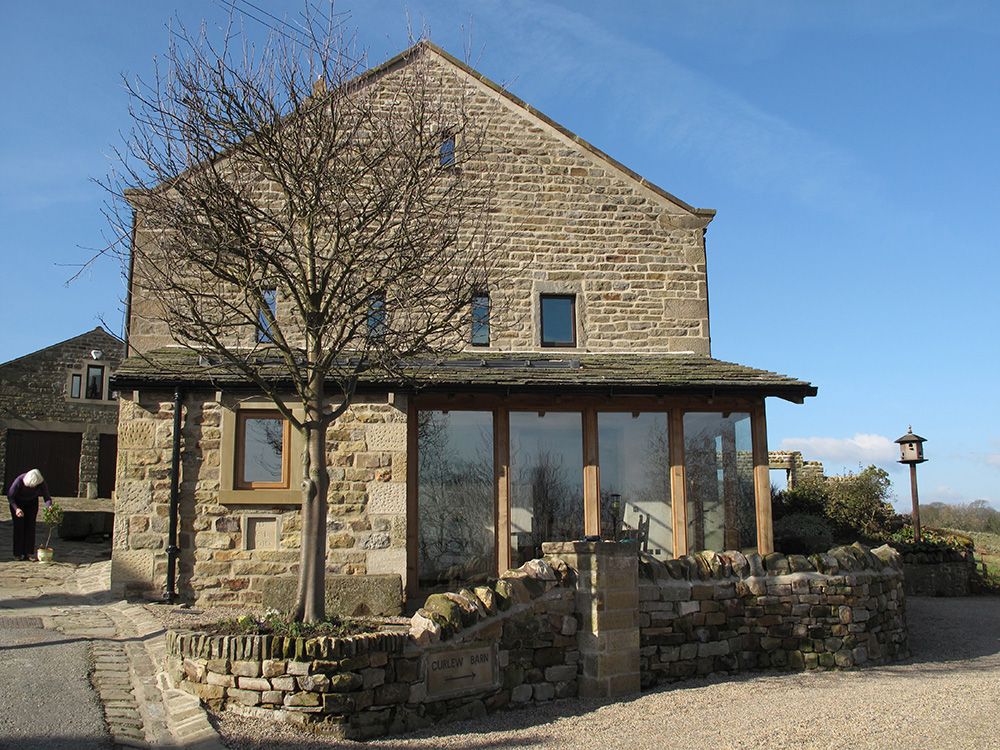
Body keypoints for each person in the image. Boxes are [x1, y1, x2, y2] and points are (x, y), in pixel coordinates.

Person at [6, 469, 53, 561]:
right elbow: (10, 496)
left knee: (30, 527)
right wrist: (16, 509)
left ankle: (28, 553)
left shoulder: (41, 482)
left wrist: (49, 506)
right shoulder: (19, 481)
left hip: (32, 503)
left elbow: (47, 497)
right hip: (18, 503)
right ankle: (18, 554)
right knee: (19, 528)